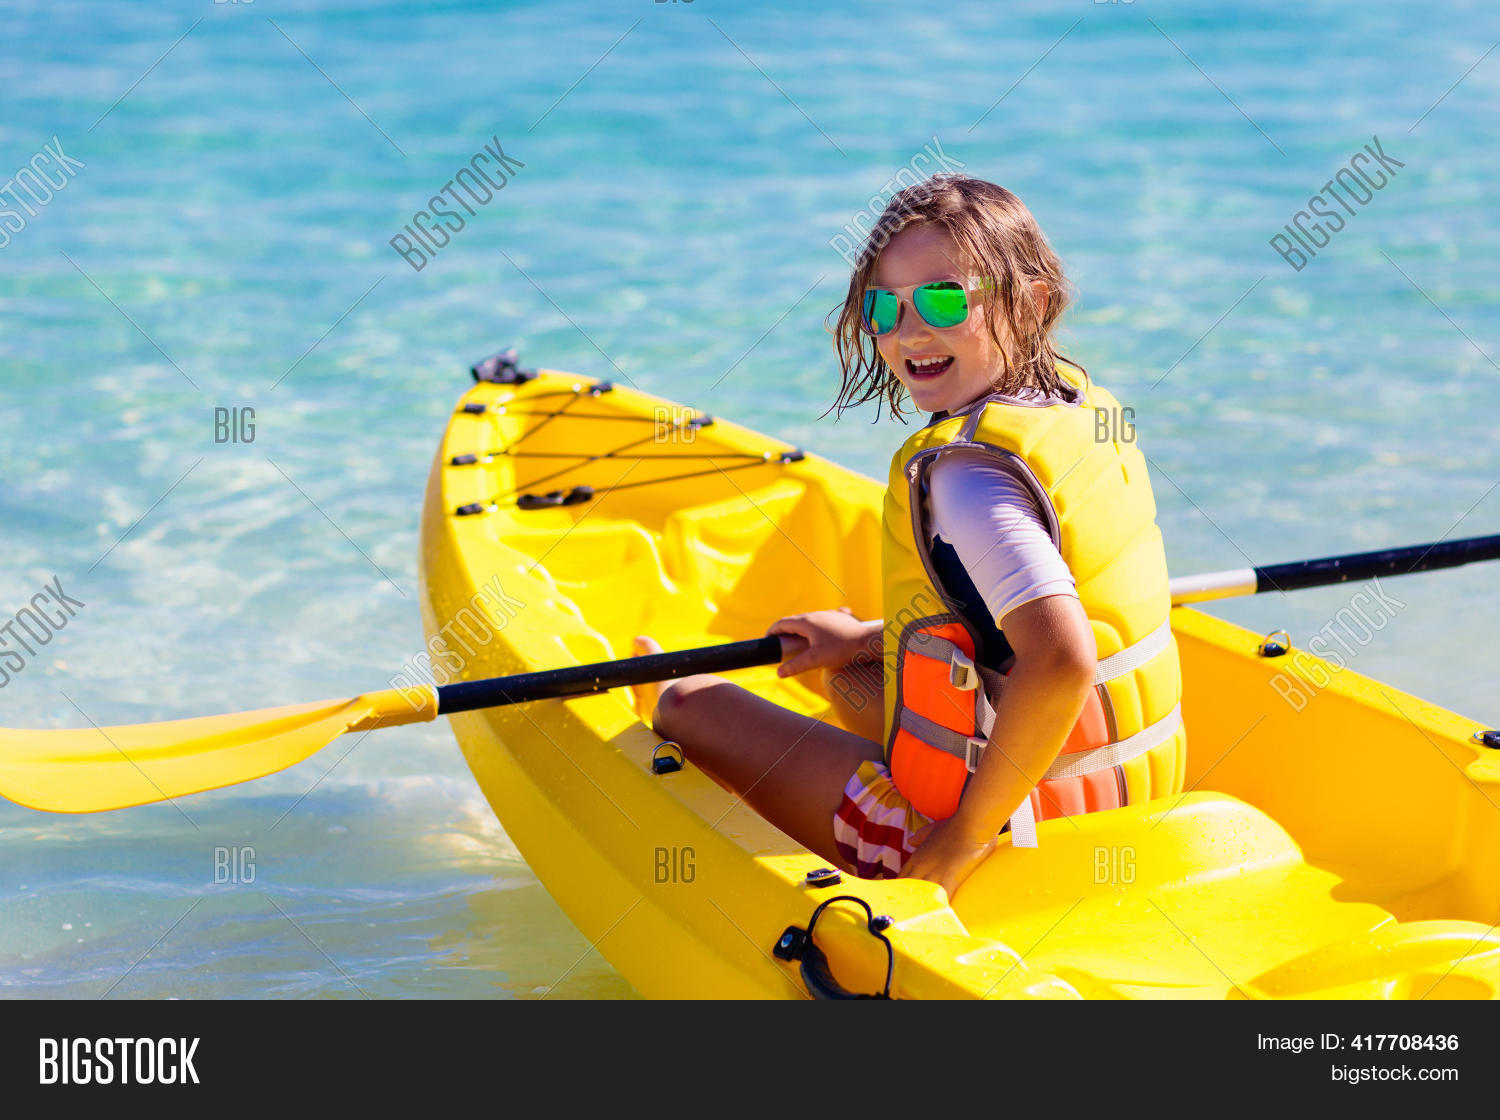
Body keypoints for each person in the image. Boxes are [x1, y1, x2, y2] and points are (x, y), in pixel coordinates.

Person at [634, 175, 1185, 900]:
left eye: (944, 299)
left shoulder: (967, 481)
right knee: (849, 677)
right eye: (883, 308)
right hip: (1120, 806)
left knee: (687, 707)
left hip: (999, 836)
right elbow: (1011, 630)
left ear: (1034, 300)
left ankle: (664, 707)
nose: (909, 332)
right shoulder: (1076, 408)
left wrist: (959, 842)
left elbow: (1059, 659)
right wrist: (864, 639)